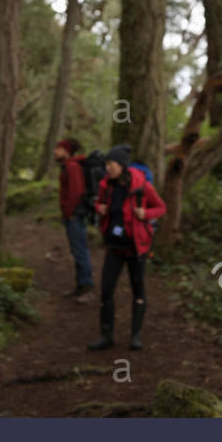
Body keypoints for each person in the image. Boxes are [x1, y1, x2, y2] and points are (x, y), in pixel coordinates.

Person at [87, 144, 166, 351]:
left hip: (136, 248)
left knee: (138, 290)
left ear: (122, 165)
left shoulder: (142, 186)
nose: (108, 169)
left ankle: (136, 336)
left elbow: (161, 207)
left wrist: (145, 214)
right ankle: (106, 336)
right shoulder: (106, 185)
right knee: (106, 290)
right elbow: (99, 204)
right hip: (114, 247)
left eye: (111, 165)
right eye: (107, 165)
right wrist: (99, 208)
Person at [53, 137, 95, 300]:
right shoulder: (68, 166)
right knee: (77, 250)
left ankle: (87, 287)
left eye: (59, 148)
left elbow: (76, 192)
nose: (55, 151)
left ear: (66, 151)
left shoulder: (72, 166)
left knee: (80, 250)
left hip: (75, 216)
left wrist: (68, 213)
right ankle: (80, 285)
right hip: (73, 216)